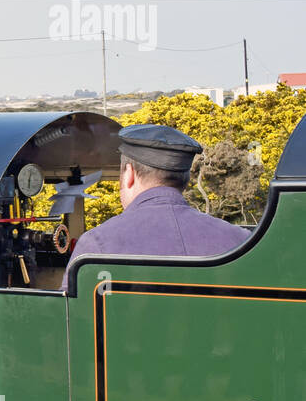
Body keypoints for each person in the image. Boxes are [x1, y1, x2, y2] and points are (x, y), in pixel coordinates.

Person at [62, 124, 249, 291]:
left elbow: (70, 319)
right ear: (185, 180)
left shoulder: (97, 245)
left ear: (129, 174)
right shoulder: (240, 240)